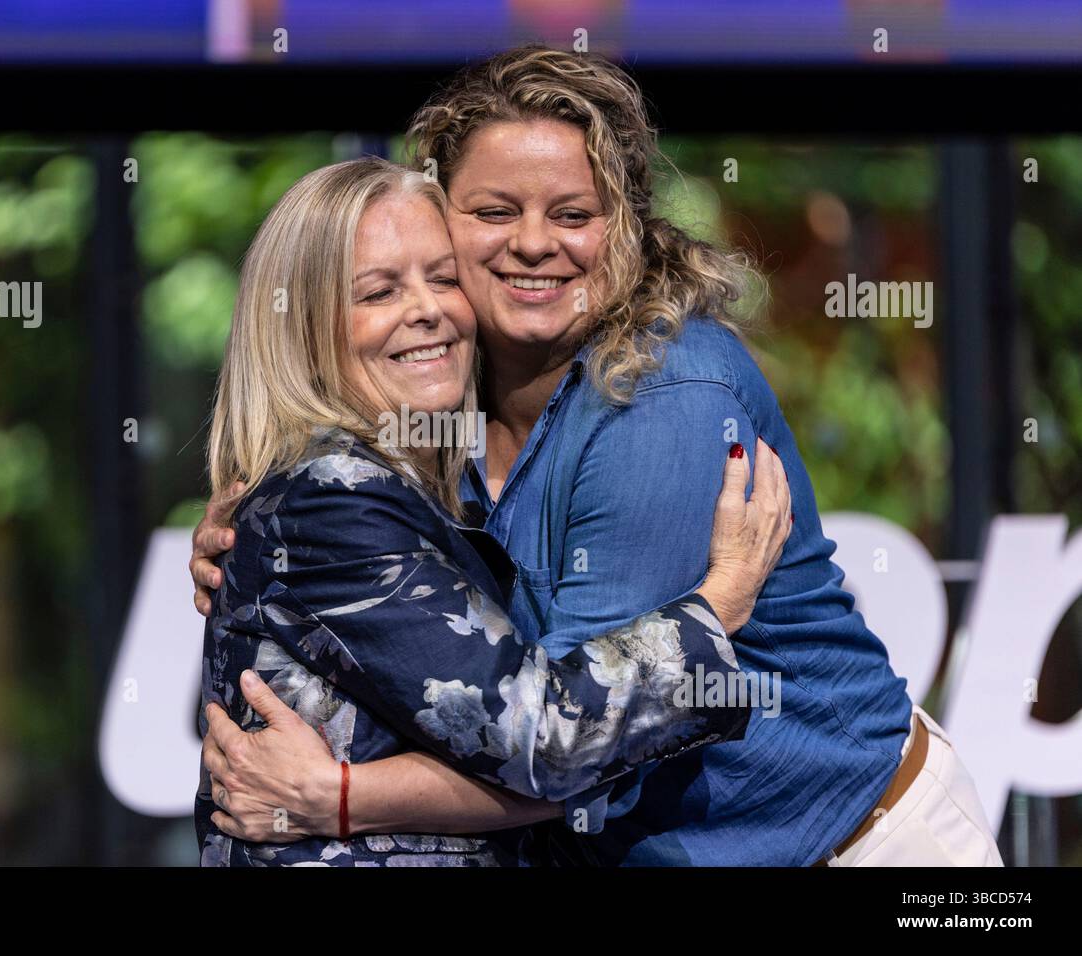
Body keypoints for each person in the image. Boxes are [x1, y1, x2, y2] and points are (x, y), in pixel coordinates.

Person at [193, 46, 1003, 867]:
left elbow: (572, 741)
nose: (533, 243)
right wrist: (258, 544)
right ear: (442, 218)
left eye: (573, 214)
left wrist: (340, 796)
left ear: (626, 228)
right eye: (494, 212)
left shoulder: (662, 396)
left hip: (855, 844)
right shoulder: (442, 398)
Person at [194, 154, 792, 867]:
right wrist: (719, 602)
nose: (428, 309)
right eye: (379, 291)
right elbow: (546, 737)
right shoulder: (330, 499)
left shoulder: (395, 478)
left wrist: (343, 794)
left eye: (444, 278)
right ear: (302, 329)